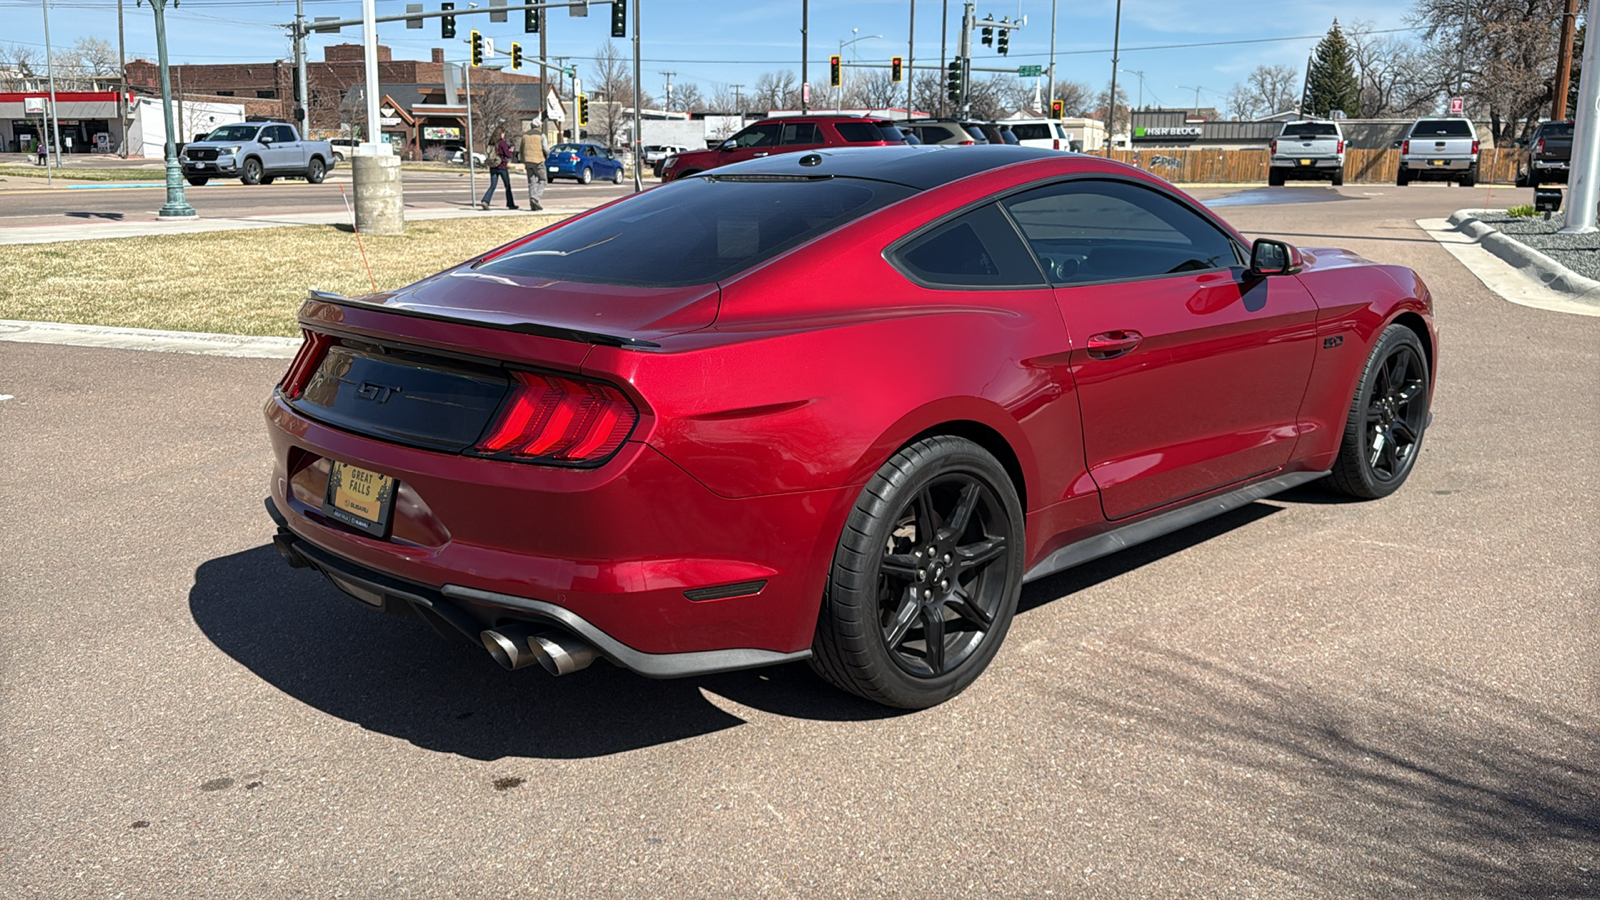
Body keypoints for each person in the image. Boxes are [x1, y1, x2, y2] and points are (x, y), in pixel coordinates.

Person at [478, 127, 518, 210]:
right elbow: (508, 155)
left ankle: (485, 200)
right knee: (507, 186)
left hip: (493, 166)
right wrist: (511, 150)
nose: (504, 135)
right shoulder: (502, 143)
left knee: (492, 185)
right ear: (501, 134)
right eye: (503, 133)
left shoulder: (491, 142)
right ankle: (510, 204)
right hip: (502, 166)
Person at [519, 121, 548, 211]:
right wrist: (546, 156)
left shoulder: (524, 136)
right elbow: (546, 149)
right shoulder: (541, 135)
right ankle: (535, 198)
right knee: (543, 180)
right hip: (538, 161)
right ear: (539, 126)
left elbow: (521, 149)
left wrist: (523, 159)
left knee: (531, 182)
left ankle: (532, 204)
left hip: (527, 161)